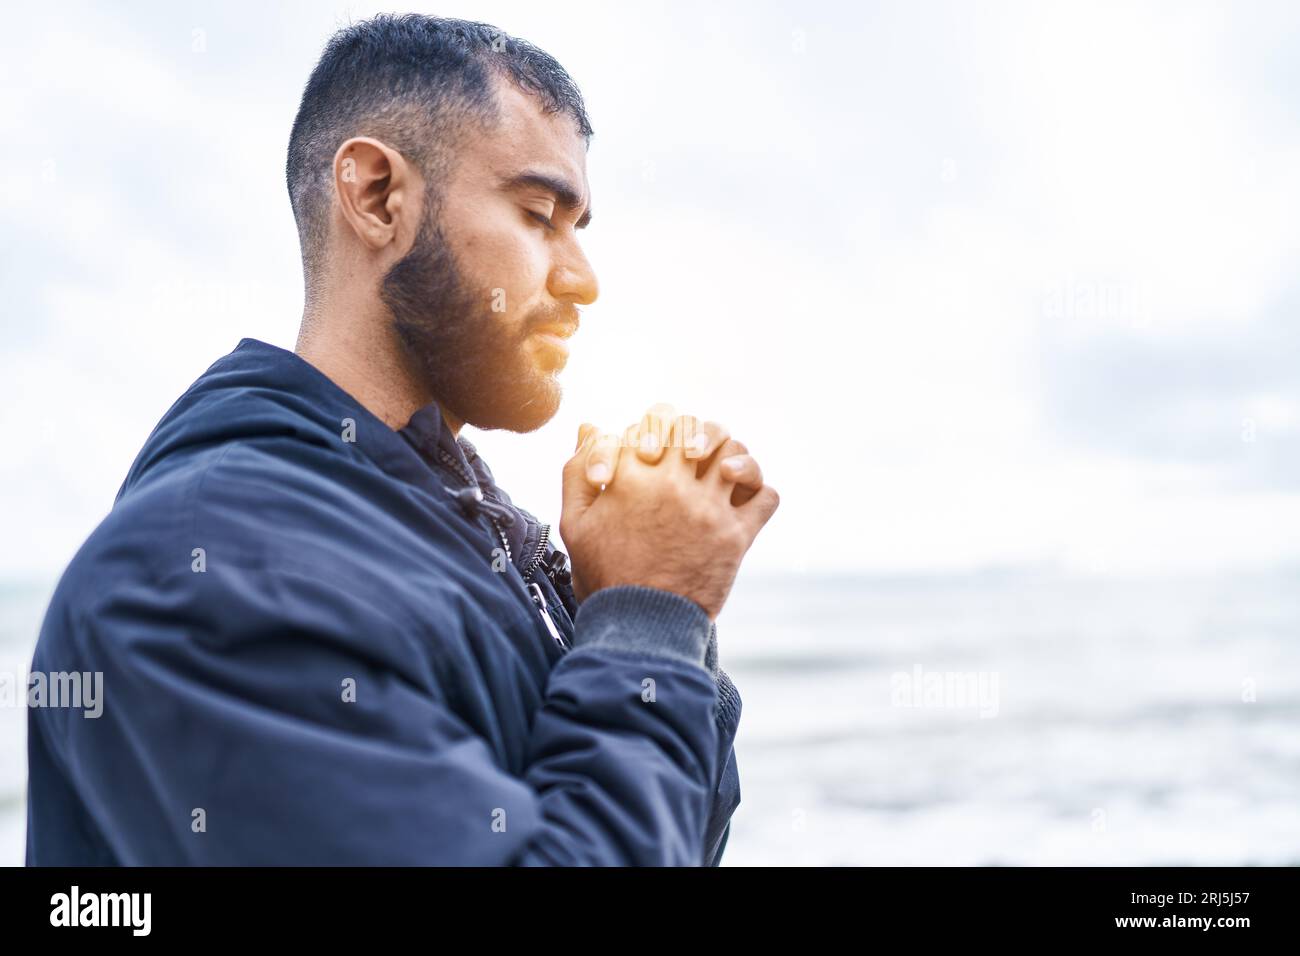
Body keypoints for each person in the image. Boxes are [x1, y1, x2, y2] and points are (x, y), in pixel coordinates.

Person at [25, 14, 778, 866]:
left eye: (580, 230)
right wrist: (650, 611)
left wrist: (654, 619)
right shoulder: (205, 570)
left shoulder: (464, 542)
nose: (584, 281)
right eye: (539, 215)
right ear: (378, 195)